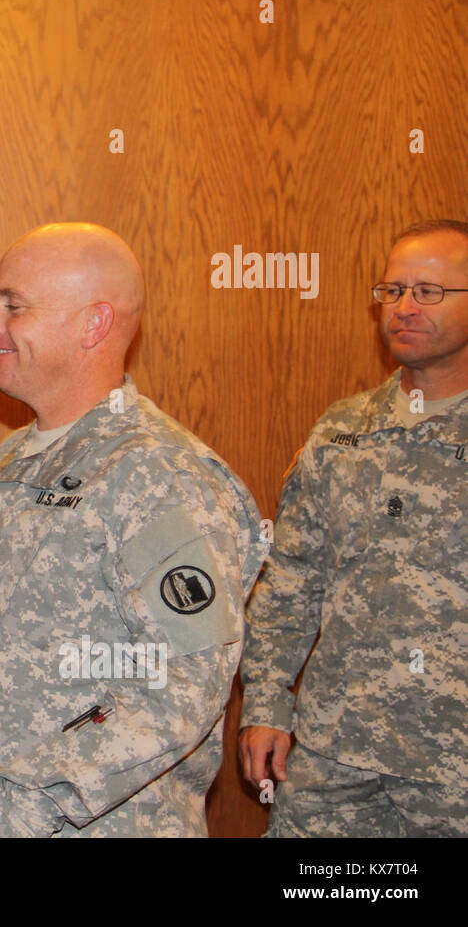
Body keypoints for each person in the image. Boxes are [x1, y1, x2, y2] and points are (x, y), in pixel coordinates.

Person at [0, 223, 264, 837]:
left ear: (93, 324)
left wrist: (6, 816)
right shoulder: (15, 459)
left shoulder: (160, 474)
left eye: (13, 305)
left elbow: (179, 688)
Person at [239, 219, 468, 836]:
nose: (403, 308)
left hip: (455, 770)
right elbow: (291, 580)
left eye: (429, 292)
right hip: (334, 755)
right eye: (391, 291)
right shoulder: (343, 431)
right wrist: (265, 702)